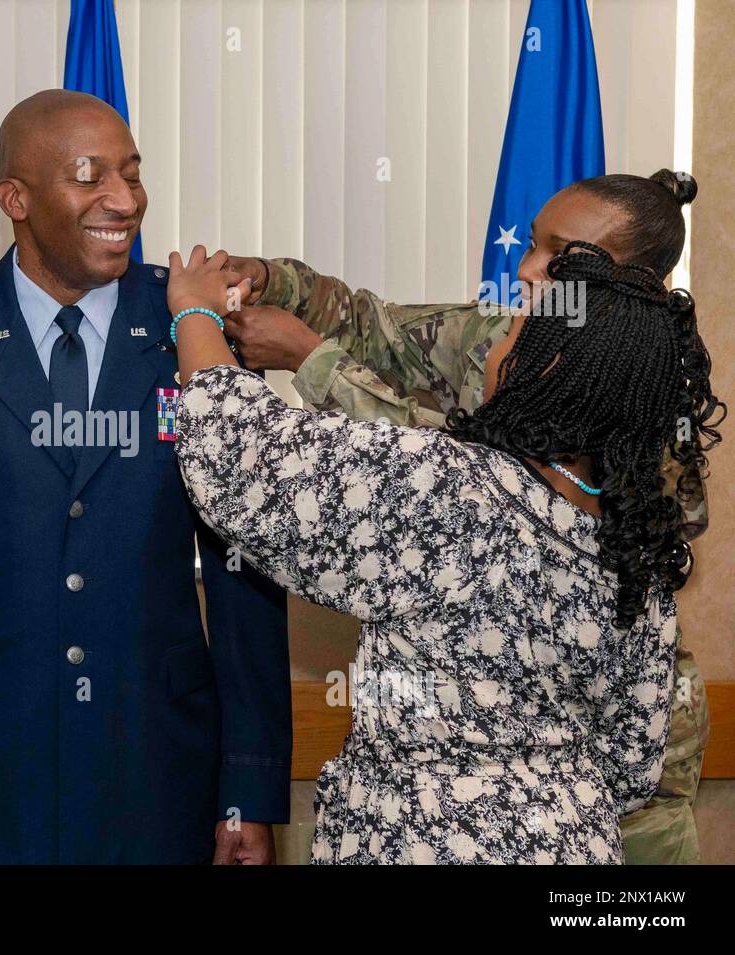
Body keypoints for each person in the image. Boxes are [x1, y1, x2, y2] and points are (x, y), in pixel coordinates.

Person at [0, 90, 291, 865]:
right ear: (15, 198)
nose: (124, 200)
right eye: (90, 177)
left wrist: (249, 784)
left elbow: (246, 580)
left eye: (133, 174)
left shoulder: (191, 332)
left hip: (156, 773)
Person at [166, 242, 722, 863]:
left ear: (541, 368)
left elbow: (245, 461)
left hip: (425, 837)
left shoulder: (454, 488)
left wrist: (195, 313)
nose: (497, 345)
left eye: (514, 333)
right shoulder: (633, 549)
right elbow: (631, 763)